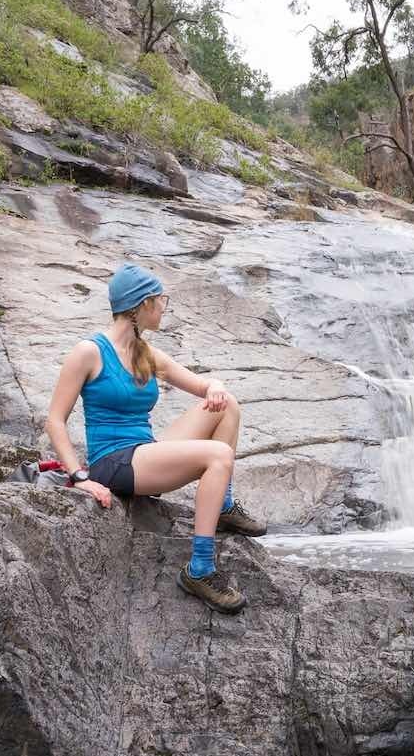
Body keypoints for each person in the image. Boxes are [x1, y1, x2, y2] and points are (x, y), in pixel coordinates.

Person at [43, 262, 265, 612]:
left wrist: (218, 386)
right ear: (143, 304)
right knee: (218, 455)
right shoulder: (89, 352)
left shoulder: (147, 354)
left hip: (146, 454)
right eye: (162, 300)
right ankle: (200, 569)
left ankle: (222, 506)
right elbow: (55, 420)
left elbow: (205, 386)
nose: (164, 308)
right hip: (113, 462)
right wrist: (80, 477)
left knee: (227, 407)